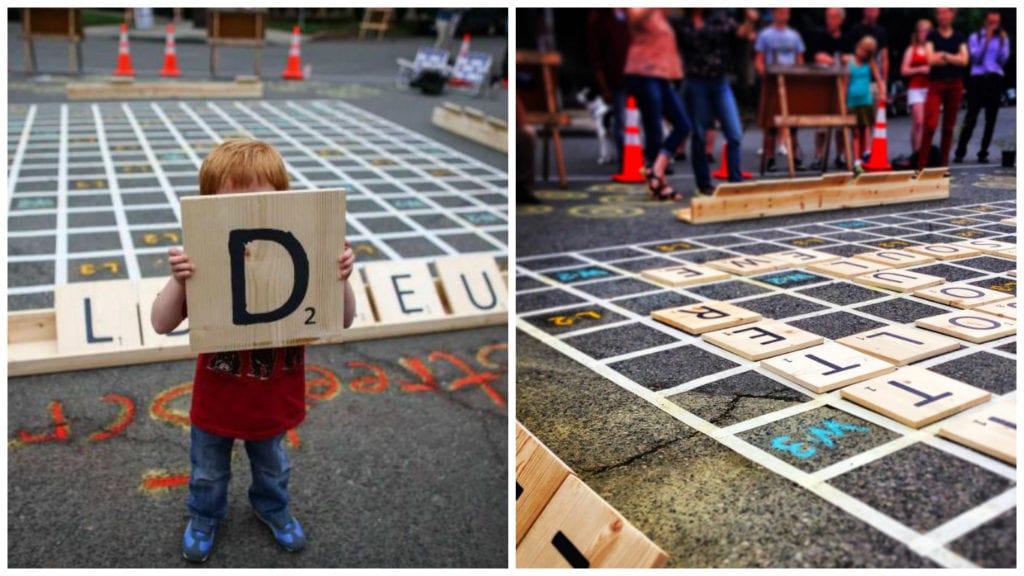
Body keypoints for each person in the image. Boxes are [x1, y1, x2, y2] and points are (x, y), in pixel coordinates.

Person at [150, 139, 358, 563]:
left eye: (261, 200)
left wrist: (342, 278)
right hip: (216, 404)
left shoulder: (303, 252)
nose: (248, 213)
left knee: (273, 468)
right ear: (211, 208)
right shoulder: (205, 262)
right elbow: (161, 322)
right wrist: (179, 280)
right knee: (208, 472)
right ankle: (204, 515)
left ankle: (273, 507)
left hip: (273, 401)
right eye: (233, 203)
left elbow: (345, 318)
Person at [675, 8, 758, 194]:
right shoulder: (681, 23)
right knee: (699, 134)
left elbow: (742, 33)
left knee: (734, 133)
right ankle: (704, 184)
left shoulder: (719, 18)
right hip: (695, 83)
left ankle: (735, 181)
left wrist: (750, 20)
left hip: (720, 82)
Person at [624, 8, 691, 201]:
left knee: (683, 125)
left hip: (662, 77)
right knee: (654, 127)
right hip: (643, 73)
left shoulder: (661, 16)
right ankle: (659, 182)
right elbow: (633, 18)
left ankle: (655, 171)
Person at [954, 10, 1011, 164]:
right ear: (985, 22)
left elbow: (1003, 60)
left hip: (995, 78)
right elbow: (975, 58)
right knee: (971, 116)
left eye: (996, 22)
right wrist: (986, 40)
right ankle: (960, 150)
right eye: (991, 22)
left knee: (991, 119)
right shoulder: (976, 37)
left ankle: (983, 152)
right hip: (978, 78)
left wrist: (1000, 42)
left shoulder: (1002, 38)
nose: (994, 25)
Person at [754, 8, 806, 172]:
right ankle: (770, 159)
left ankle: (795, 158)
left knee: (793, 122)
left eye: (786, 12)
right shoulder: (765, 35)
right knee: (772, 122)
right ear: (775, 13)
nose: (784, 15)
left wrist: (799, 76)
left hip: (790, 81)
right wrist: (765, 75)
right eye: (781, 12)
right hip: (773, 81)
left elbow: (799, 59)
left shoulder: (794, 35)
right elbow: (759, 60)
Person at [917, 8, 968, 171]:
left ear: (952, 14)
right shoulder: (932, 35)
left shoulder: (959, 36)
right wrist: (954, 58)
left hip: (955, 83)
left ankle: (943, 165)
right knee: (930, 124)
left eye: (945, 12)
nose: (942, 16)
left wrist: (944, 55)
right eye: (939, 13)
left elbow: (965, 60)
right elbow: (930, 59)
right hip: (936, 83)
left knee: (949, 127)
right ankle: (921, 165)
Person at [586, 8, 631, 171]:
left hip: (638, 73)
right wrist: (604, 86)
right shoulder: (599, 17)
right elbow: (596, 57)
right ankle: (625, 160)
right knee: (621, 121)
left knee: (642, 120)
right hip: (616, 77)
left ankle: (651, 159)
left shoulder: (631, 13)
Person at [810, 7, 852, 170]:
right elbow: (817, 56)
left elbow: (849, 62)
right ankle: (818, 155)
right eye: (828, 17)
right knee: (821, 125)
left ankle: (840, 155)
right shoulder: (821, 36)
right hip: (823, 87)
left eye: (833, 17)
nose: (830, 21)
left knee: (841, 125)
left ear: (840, 20)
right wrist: (833, 61)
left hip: (841, 86)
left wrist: (845, 91)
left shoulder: (847, 39)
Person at [847, 8, 890, 156]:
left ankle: (868, 151)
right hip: (854, 92)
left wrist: (883, 84)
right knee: (855, 126)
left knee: (869, 121)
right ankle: (856, 155)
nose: (872, 13)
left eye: (875, 10)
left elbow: (884, 58)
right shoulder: (856, 30)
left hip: (869, 88)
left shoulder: (881, 32)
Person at [845, 36, 886, 174]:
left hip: (865, 100)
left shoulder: (870, 63)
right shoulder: (849, 62)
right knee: (855, 131)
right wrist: (843, 102)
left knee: (865, 128)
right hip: (852, 101)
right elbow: (845, 83)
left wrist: (882, 92)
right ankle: (856, 160)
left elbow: (878, 79)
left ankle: (865, 154)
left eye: (866, 51)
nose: (862, 52)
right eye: (861, 49)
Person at [901, 19, 932, 156]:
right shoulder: (911, 49)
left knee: (928, 124)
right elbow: (904, 70)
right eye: (921, 30)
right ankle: (916, 153)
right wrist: (920, 69)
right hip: (916, 89)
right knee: (918, 122)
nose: (923, 33)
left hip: (930, 88)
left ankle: (925, 153)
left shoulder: (933, 49)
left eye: (926, 30)